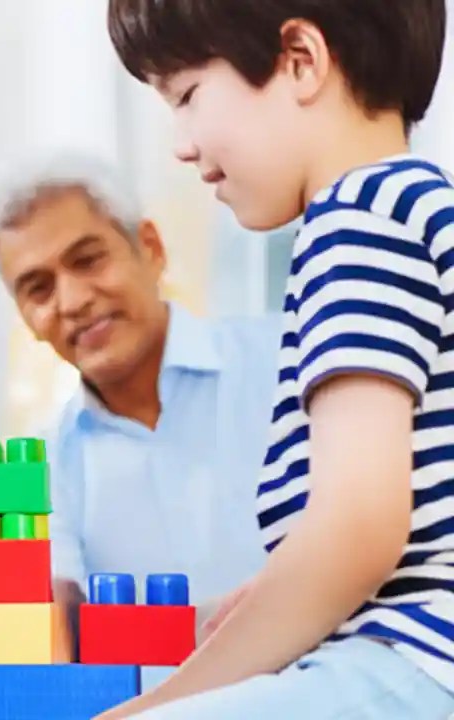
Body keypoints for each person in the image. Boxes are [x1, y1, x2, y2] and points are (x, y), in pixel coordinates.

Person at [96, 0, 454, 718]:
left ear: (301, 61)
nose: (182, 145)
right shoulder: (417, 204)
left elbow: (357, 527)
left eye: (188, 95)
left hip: (414, 660)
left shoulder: (358, 221)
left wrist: (168, 699)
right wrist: (273, 603)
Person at [0, 151, 281, 659]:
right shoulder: (38, 469)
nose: (72, 300)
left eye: (88, 259)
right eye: (39, 288)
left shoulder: (287, 362)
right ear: (26, 319)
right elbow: (43, 644)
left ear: (151, 248)